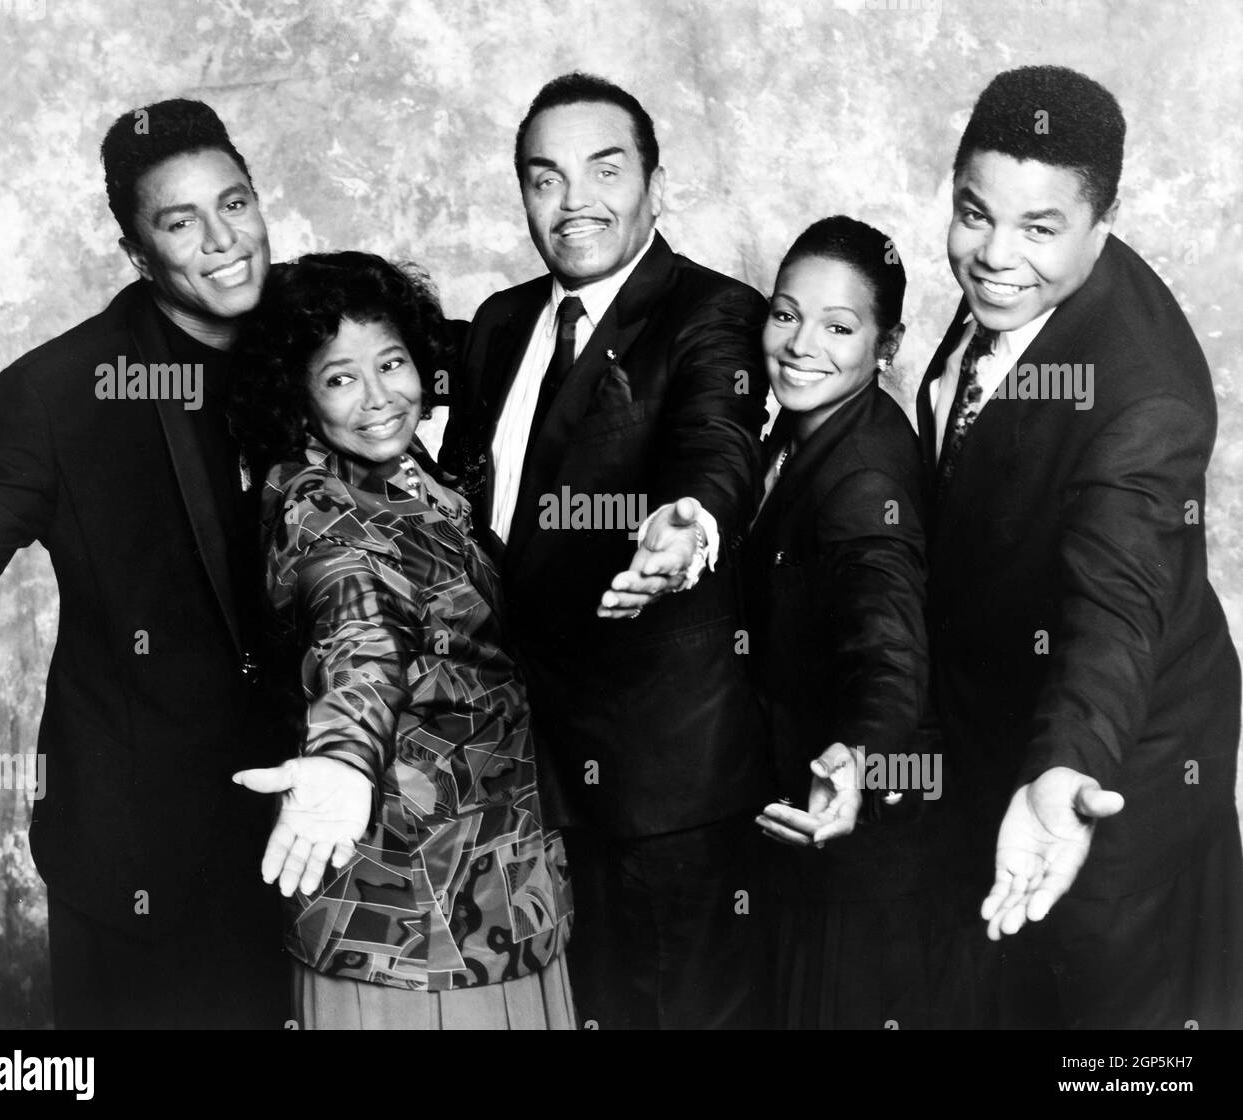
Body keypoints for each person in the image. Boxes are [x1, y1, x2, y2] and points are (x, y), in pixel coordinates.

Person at [0, 99, 290, 1028]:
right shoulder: (57, 393)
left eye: (236, 204)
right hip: (141, 851)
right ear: (138, 253)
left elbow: (491, 372)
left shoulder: (326, 332)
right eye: (181, 223)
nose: (223, 241)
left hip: (316, 835)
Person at [441, 72, 774, 1030]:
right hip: (522, 772)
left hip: (662, 776)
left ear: (657, 187)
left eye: (604, 168)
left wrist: (691, 520)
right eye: (546, 178)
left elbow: (720, 440)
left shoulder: (713, 313)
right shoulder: (502, 323)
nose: (574, 199)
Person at [917, 65, 1243, 1028]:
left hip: (1120, 768)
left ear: (1101, 223)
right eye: (975, 214)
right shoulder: (1015, 283)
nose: (994, 256)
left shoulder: (1148, 400)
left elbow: (1115, 609)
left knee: (1114, 1031)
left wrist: (1060, 774)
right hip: (998, 722)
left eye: (1038, 229)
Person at [230, 251, 574, 1030]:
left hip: (498, 887)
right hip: (410, 927)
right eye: (341, 378)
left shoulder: (414, 471)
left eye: (393, 363)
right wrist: (345, 761)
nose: (380, 397)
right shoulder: (320, 511)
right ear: (300, 396)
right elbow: (359, 630)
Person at [746, 216, 975, 1029]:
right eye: (785, 314)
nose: (802, 344)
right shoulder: (800, 431)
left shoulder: (864, 477)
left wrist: (864, 760)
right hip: (813, 843)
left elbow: (888, 647)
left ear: (887, 344)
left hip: (861, 865)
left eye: (839, 327)